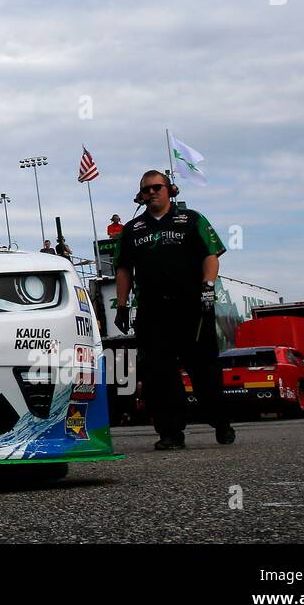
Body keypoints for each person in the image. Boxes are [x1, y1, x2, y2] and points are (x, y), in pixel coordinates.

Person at [114, 169, 235, 450]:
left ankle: (220, 420)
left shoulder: (191, 219)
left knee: (204, 370)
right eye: (146, 189)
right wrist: (121, 306)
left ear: (170, 189)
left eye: (157, 187)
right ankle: (170, 433)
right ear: (140, 195)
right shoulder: (132, 229)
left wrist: (208, 285)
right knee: (159, 374)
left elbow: (211, 255)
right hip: (152, 311)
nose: (151, 192)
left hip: (192, 308)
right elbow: (123, 269)